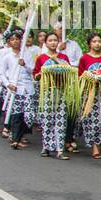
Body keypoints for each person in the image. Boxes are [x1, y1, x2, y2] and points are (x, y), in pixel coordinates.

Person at [32, 30, 73, 159]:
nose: (53, 42)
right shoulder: (41, 58)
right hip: (47, 92)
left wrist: (56, 60)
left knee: (61, 120)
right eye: (50, 40)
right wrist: (39, 75)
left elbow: (70, 72)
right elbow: (35, 75)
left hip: (61, 91)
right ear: (45, 43)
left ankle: (60, 149)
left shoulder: (64, 58)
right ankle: (46, 147)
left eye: (55, 40)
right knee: (47, 119)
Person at [77, 32, 101, 158]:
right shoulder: (84, 58)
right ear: (89, 44)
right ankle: (94, 147)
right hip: (89, 93)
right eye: (94, 41)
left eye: (99, 41)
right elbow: (80, 76)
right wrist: (91, 78)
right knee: (91, 119)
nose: (97, 44)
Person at [0, 30, 35, 150]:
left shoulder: (27, 54)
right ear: (9, 42)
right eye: (12, 40)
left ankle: (20, 135)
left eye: (17, 39)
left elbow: (33, 70)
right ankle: (15, 139)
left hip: (28, 88)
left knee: (29, 116)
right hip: (15, 89)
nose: (15, 41)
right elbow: (1, 73)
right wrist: (8, 84)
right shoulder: (7, 57)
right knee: (16, 115)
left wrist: (25, 64)